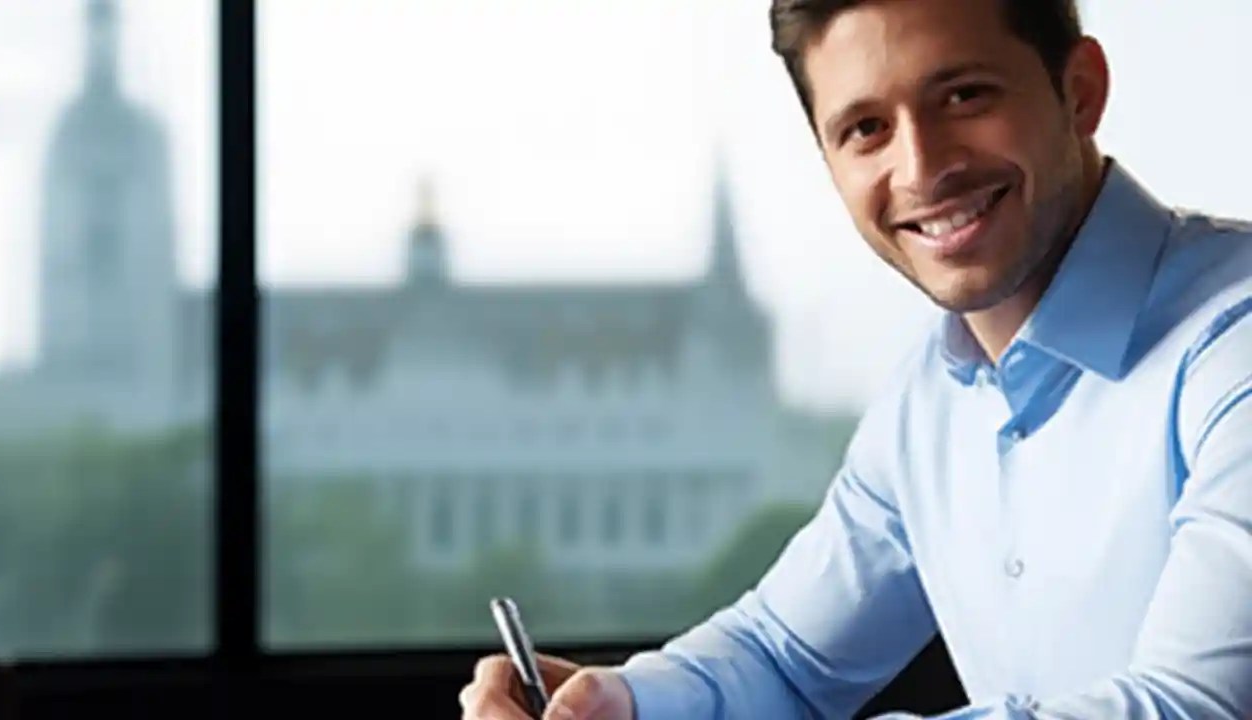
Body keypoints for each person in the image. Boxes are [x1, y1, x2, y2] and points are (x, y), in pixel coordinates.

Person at [459, 0, 1252, 716]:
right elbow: (785, 657)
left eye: (964, 96)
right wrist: (616, 705)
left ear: (1079, 93)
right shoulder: (930, 398)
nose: (921, 168)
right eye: (866, 129)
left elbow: (1195, 708)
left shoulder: (1234, 340)